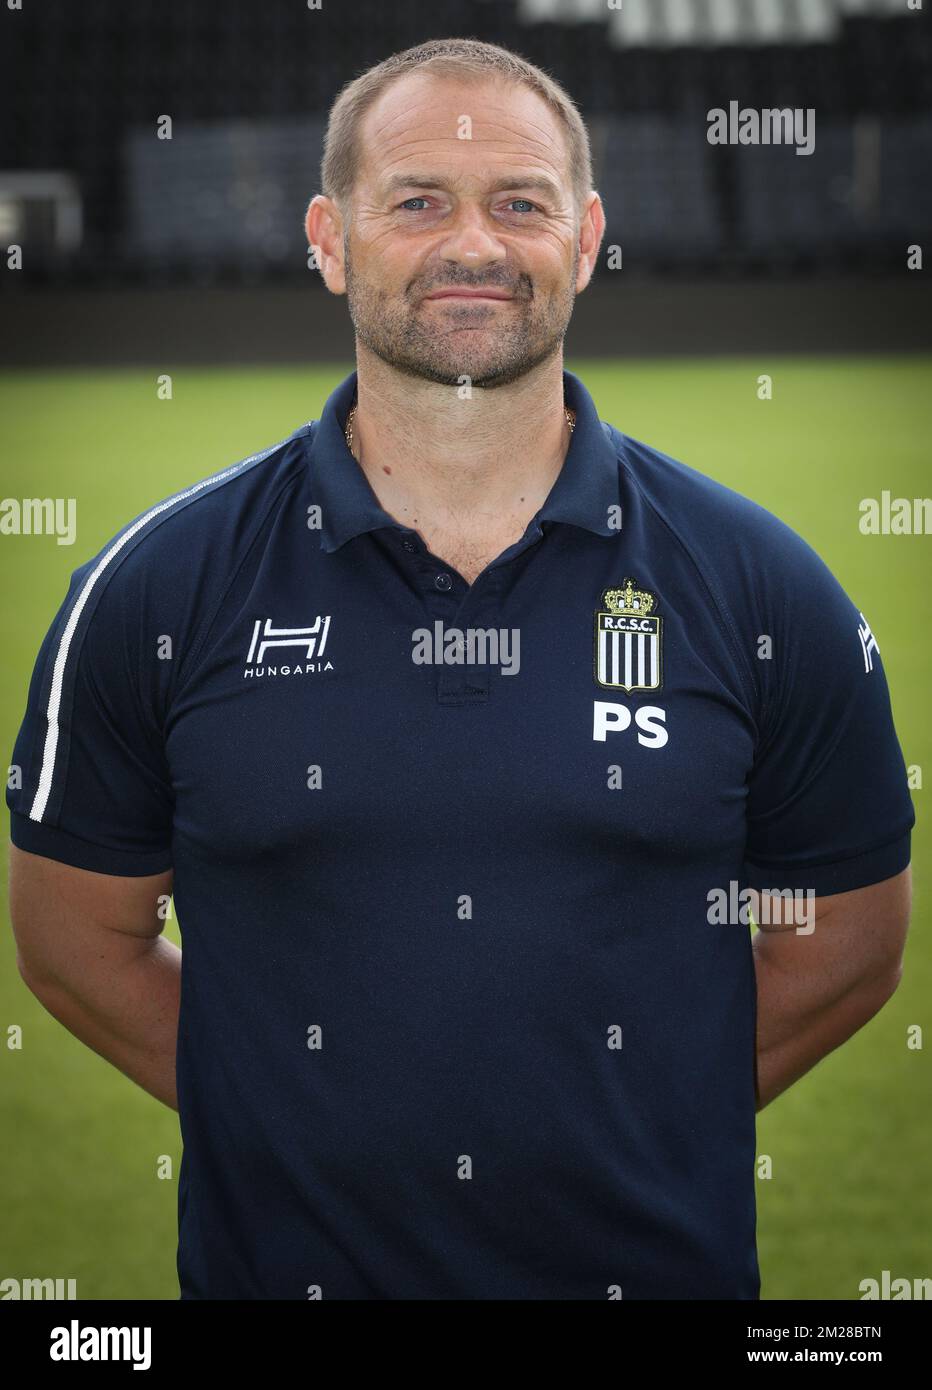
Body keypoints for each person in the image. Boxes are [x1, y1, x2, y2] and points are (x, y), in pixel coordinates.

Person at [7, 38, 913, 1300]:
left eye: (519, 203)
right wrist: (295, 1120)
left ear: (586, 238)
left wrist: (630, 1112)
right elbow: (72, 941)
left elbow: (844, 944)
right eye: (418, 200)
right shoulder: (153, 587)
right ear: (329, 238)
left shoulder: (763, 585)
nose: (472, 244)